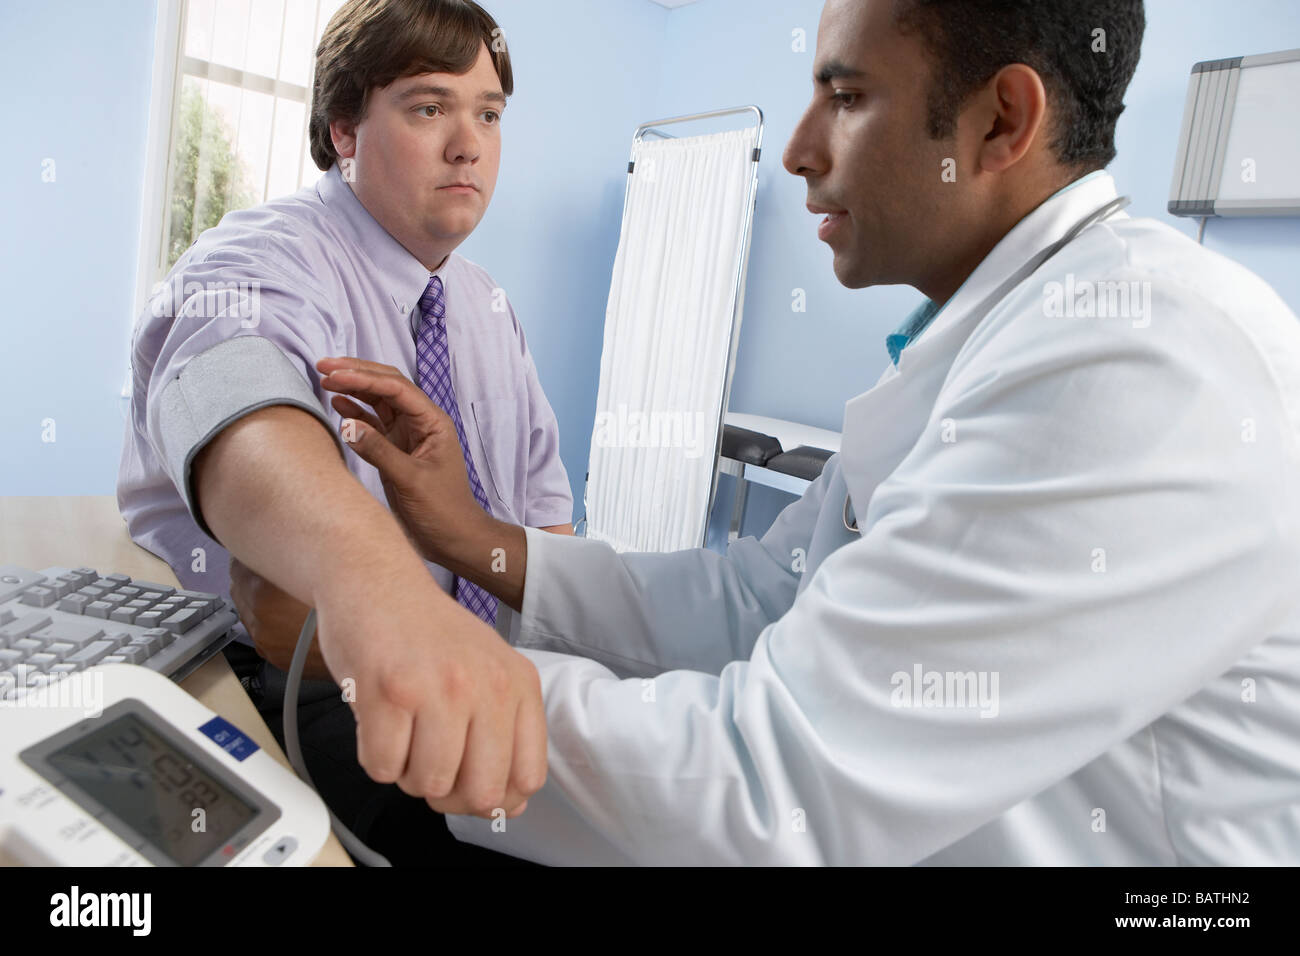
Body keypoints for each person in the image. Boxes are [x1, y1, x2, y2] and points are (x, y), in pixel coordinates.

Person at [245, 0, 1300, 865]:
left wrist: (428, 672)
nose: (796, 151)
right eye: (429, 106)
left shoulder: (1139, 356)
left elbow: (779, 785)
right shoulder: (986, 339)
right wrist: (475, 540)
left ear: (1000, 122)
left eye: (845, 97)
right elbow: (761, 596)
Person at [117, 0, 572, 834]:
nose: (468, 144)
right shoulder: (257, 258)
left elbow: (546, 520)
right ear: (344, 131)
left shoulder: (487, 307)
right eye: (429, 108)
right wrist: (380, 597)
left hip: (489, 672)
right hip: (292, 687)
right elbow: (233, 401)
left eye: (489, 114)